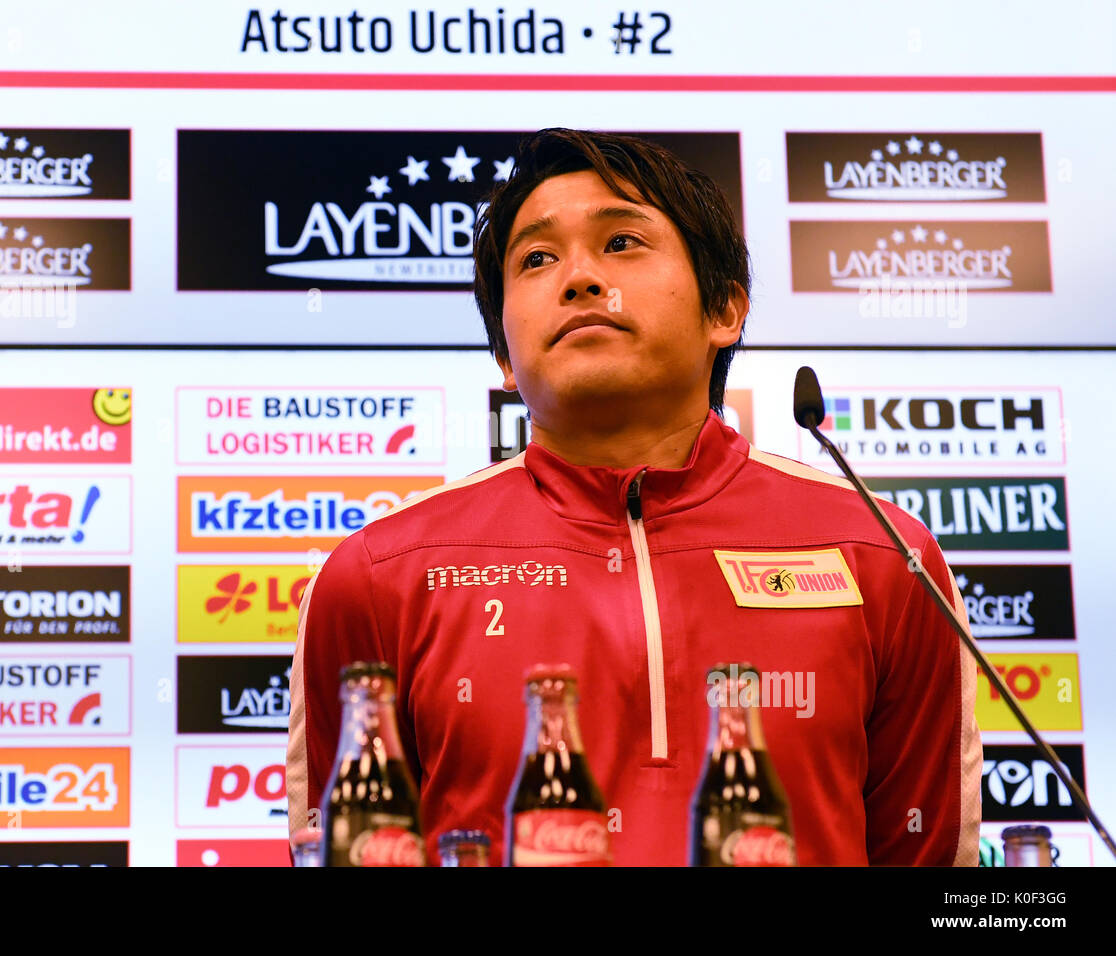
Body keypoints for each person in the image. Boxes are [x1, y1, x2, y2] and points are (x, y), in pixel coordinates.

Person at [286, 128, 981, 866]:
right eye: (538, 259)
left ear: (726, 311)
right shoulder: (380, 573)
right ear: (503, 357)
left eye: (621, 243)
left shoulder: (881, 556)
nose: (580, 278)